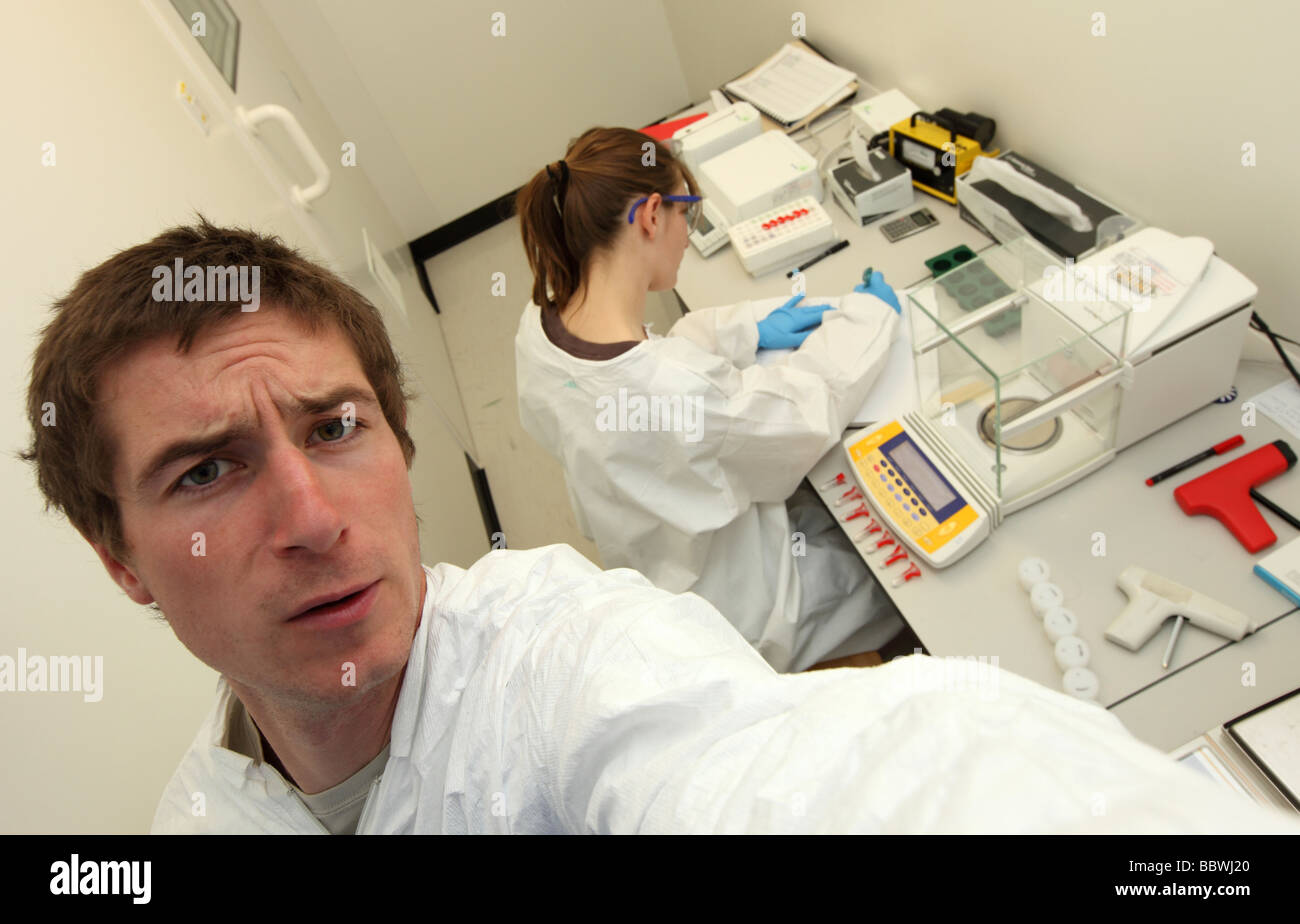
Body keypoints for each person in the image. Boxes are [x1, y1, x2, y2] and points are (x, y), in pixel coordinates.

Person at [21, 217, 1300, 834]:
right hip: (771, 582)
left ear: (402, 445)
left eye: (336, 428)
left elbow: (859, 783)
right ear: (119, 559)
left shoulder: (568, 656)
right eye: (205, 472)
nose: (309, 515)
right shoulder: (190, 822)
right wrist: (844, 328)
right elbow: (778, 418)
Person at [514, 126, 907, 673]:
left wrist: (747, 330)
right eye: (689, 216)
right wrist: (869, 320)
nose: (687, 236)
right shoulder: (676, 390)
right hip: (749, 611)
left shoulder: (539, 328)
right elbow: (804, 415)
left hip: (661, 562)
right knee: (901, 580)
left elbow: (651, 358)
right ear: (652, 215)